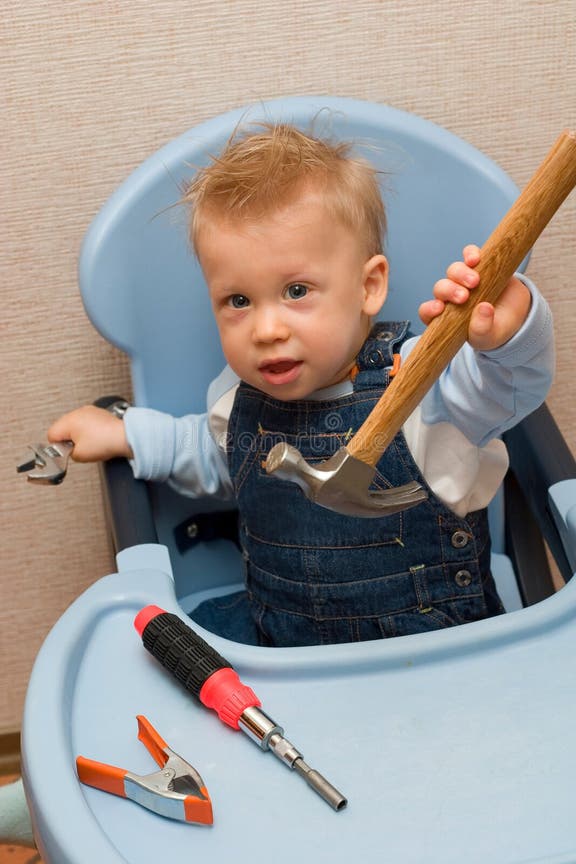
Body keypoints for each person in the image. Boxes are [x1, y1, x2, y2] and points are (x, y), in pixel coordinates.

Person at [48, 124, 554, 647]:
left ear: (368, 285)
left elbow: (511, 386)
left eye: (296, 291)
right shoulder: (237, 397)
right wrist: (125, 435)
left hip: (433, 650)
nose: (267, 330)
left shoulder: (422, 381)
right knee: (156, 660)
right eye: (238, 301)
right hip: (282, 649)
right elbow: (208, 451)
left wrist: (508, 332)